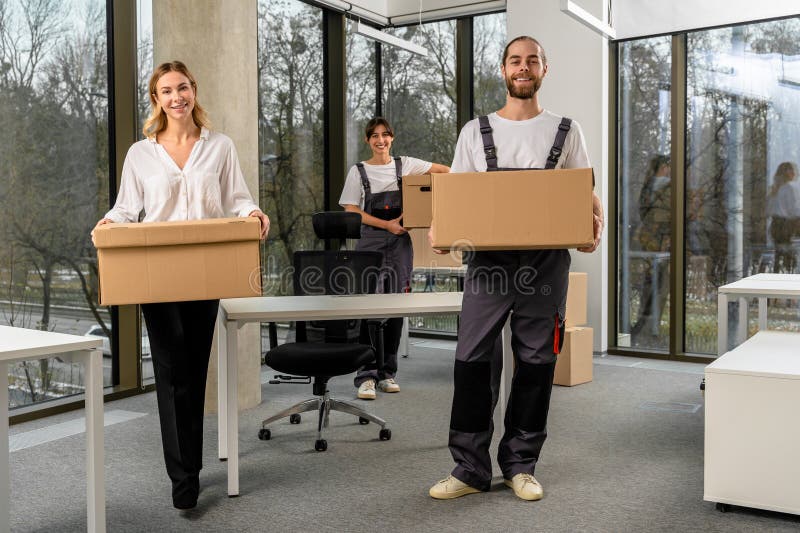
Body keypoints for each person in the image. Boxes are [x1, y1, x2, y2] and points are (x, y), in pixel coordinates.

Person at [427, 36, 603, 501]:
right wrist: (442, 233)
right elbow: (458, 199)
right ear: (503, 70)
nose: (523, 68)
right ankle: (469, 469)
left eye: (532, 61)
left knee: (537, 362)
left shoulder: (568, 130)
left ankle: (520, 464)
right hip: (489, 262)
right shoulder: (475, 131)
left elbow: (582, 191)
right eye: (515, 60)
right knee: (471, 361)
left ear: (546, 68)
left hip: (546, 263)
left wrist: (593, 219)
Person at [92, 61, 269, 510]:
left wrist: (253, 214)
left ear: (194, 91)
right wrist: (109, 223)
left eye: (183, 88)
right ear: (156, 98)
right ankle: (183, 477)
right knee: (172, 371)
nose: (176, 97)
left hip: (205, 269)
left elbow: (238, 197)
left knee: (194, 368)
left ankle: (190, 462)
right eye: (166, 91)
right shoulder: (140, 153)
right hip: (158, 272)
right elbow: (127, 207)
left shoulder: (220, 147)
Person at [339, 117, 450, 400]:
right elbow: (352, 210)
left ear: (392, 138)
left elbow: (445, 171)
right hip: (371, 243)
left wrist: (422, 210)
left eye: (385, 135)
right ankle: (366, 376)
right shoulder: (358, 171)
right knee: (371, 308)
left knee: (397, 306)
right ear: (367, 141)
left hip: (400, 243)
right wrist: (387, 224)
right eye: (374, 136)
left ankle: (387, 373)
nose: (380, 141)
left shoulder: (406, 165)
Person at [630, 154, 671, 339]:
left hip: (652, 241)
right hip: (658, 242)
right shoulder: (665, 188)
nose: (668, 170)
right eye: (665, 166)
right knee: (657, 286)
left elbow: (643, 212)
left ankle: (646, 326)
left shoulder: (648, 188)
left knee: (652, 285)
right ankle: (648, 328)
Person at [766, 161, 800, 273]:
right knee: (789, 257)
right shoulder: (789, 188)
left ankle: (778, 277)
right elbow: (794, 210)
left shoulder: (775, 189)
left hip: (775, 225)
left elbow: (768, 210)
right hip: (786, 225)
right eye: (792, 170)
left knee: (779, 255)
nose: (795, 172)